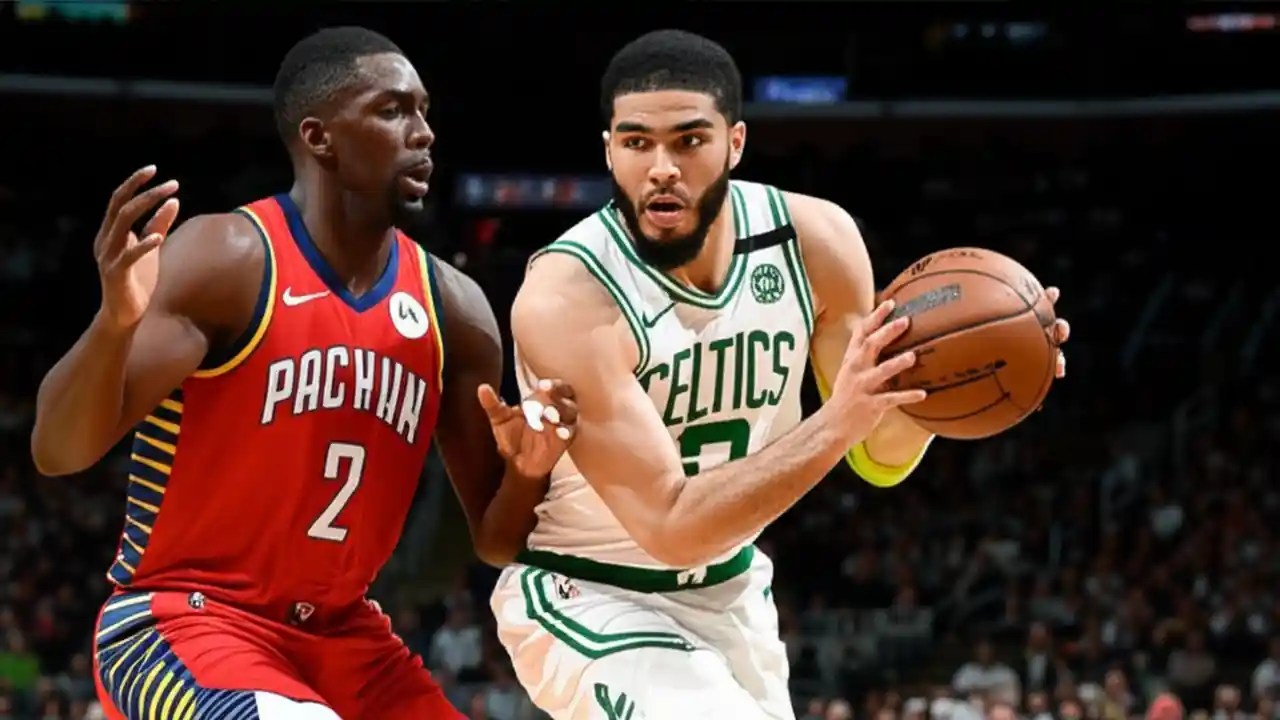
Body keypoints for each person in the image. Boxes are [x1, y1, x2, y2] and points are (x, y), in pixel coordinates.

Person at [491, 29, 1072, 719]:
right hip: (592, 593)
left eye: (689, 140)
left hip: (733, 594)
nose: (662, 167)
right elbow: (672, 525)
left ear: (734, 143)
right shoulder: (568, 295)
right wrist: (841, 417)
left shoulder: (815, 241)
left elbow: (877, 457)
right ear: (610, 148)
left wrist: (938, 388)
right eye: (637, 142)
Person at [30, 27, 575, 720]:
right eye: (393, 111)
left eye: (425, 111)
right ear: (320, 138)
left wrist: (529, 472)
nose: (424, 133)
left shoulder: (455, 311)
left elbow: (497, 542)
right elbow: (57, 450)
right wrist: (113, 324)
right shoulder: (227, 259)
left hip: (343, 637)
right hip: (183, 622)